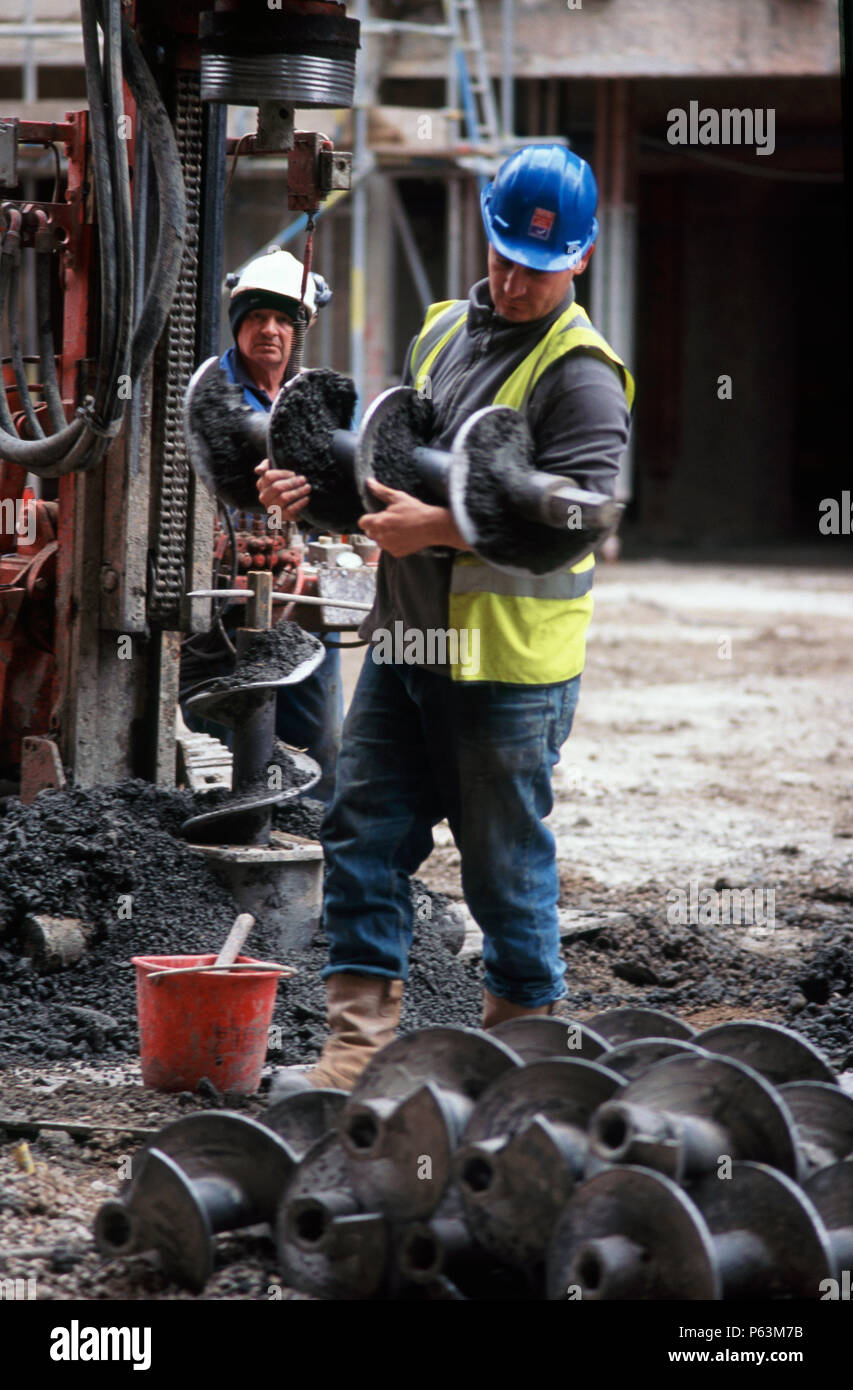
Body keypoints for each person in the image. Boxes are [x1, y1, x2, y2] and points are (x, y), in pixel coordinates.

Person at [260, 145, 635, 1090]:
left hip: (504, 667)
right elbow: (390, 470)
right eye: (503, 257)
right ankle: (356, 1055)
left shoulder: (580, 373)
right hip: (407, 640)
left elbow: (591, 512)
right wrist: (315, 487)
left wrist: (444, 527)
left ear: (580, 259)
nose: (512, 282)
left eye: (537, 269)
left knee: (501, 869)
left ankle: (519, 1064)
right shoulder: (441, 333)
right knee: (364, 831)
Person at [191, 247, 343, 802]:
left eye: (284, 320)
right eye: (257, 317)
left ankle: (316, 852)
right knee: (224, 744)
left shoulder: (316, 404)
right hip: (221, 613)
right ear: (238, 325)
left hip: (298, 604)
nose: (270, 330)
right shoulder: (208, 400)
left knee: (320, 740)